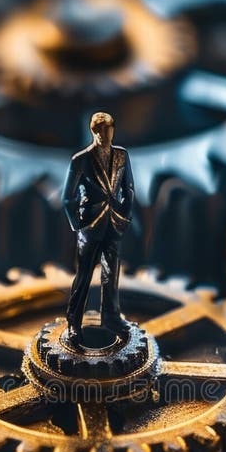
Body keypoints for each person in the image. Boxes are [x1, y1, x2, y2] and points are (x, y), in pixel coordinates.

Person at [62, 111, 134, 344]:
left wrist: (126, 213)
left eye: (110, 129)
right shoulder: (80, 159)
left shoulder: (122, 155)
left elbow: (129, 187)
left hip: (114, 224)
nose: (107, 135)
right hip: (89, 225)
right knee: (83, 275)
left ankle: (111, 317)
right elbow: (67, 198)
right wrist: (78, 225)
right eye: (102, 131)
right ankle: (74, 321)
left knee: (111, 274)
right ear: (94, 132)